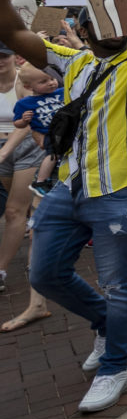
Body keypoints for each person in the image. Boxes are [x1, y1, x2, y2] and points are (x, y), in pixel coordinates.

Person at [0, 0, 127, 412]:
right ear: (83, 26)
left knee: (118, 283)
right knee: (45, 272)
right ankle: (108, 322)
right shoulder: (72, 62)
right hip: (70, 186)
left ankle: (115, 365)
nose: (111, 25)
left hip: (120, 191)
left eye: (118, 20)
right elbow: (13, 33)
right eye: (99, 18)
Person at [1, 59, 60, 332]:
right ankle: (38, 302)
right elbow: (20, 120)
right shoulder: (27, 85)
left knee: (26, 216)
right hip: (24, 159)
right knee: (31, 221)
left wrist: (4, 151)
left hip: (41, 153)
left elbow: (25, 125)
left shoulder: (34, 80)